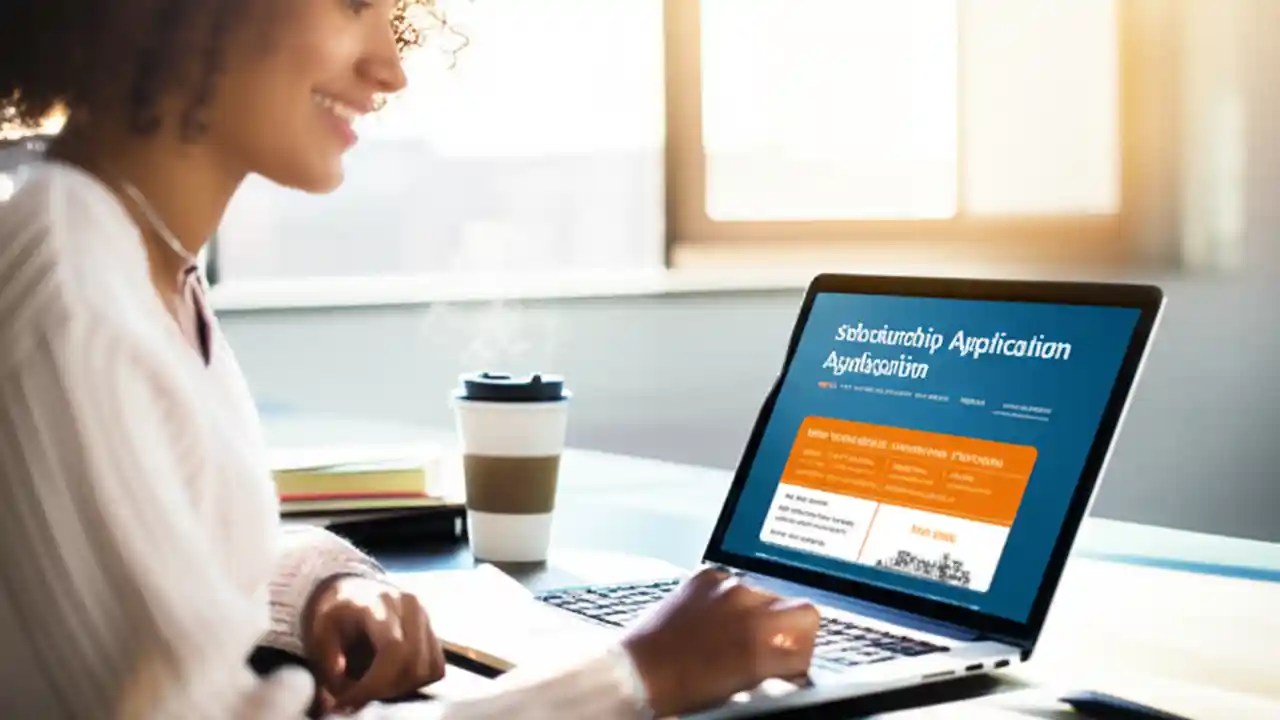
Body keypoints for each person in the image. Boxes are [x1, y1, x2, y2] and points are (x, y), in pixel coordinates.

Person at [0, 1, 820, 718]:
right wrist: (639, 678)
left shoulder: (137, 257)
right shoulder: (68, 285)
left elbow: (165, 545)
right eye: (352, 1)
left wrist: (319, 586)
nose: (389, 68)